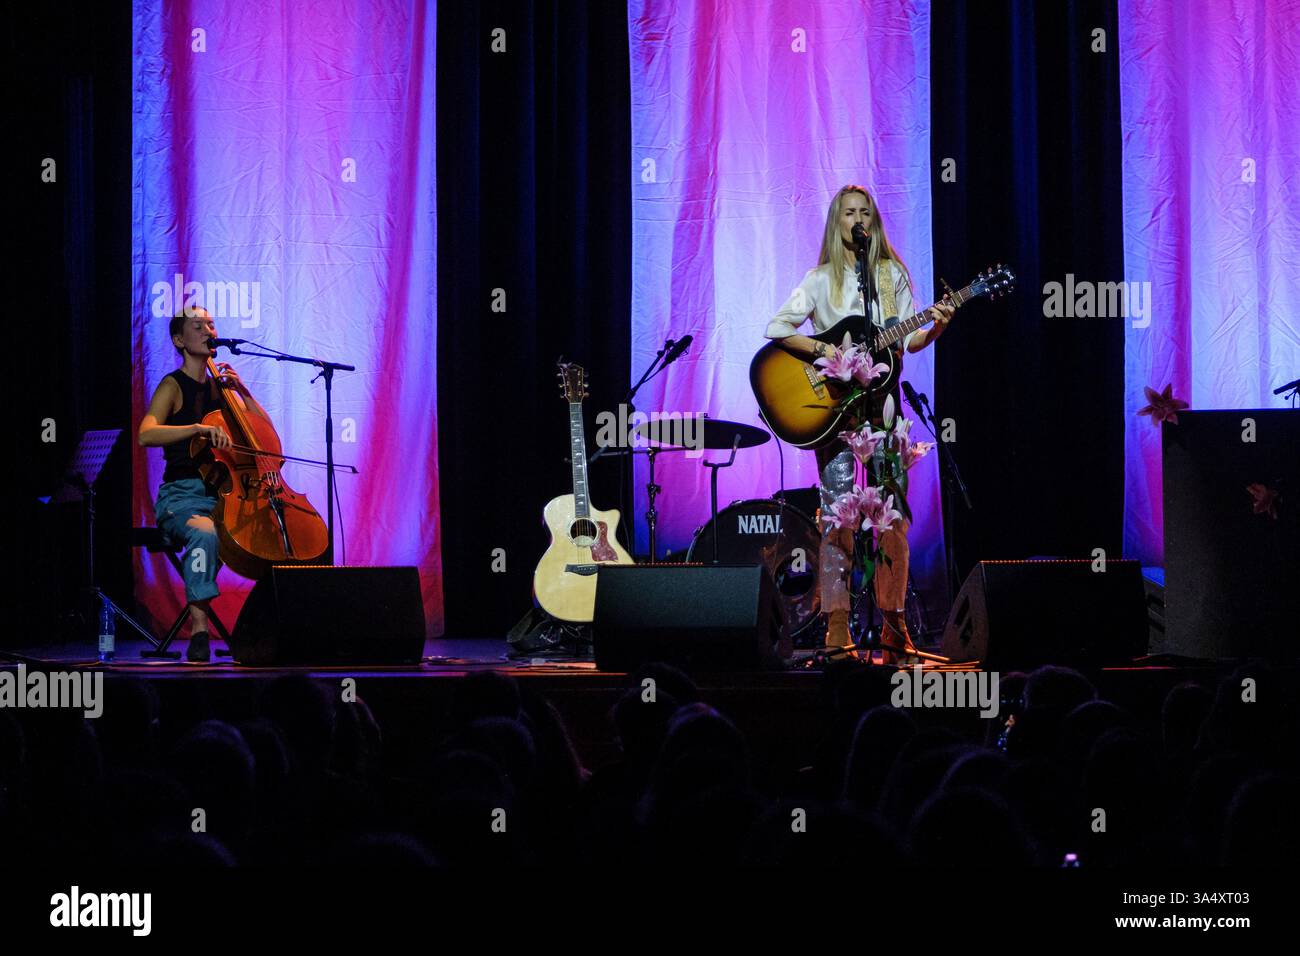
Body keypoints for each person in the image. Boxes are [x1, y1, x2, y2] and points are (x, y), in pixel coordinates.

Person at [765, 184, 953, 662]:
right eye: (849, 212)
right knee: (838, 521)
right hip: (835, 417)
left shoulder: (890, 275)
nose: (857, 219)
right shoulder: (820, 279)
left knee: (893, 520)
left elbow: (907, 342)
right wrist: (826, 350)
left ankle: (893, 626)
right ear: (837, 220)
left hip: (885, 409)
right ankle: (835, 627)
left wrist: (936, 326)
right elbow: (777, 329)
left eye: (864, 211)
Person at [137, 306, 264, 661]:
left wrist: (244, 392)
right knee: (205, 533)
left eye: (210, 324)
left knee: (267, 537)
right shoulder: (172, 385)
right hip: (182, 497)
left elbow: (261, 436)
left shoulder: (222, 389)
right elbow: (146, 434)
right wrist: (195, 428)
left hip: (224, 496)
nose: (209, 330)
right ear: (180, 340)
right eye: (198, 325)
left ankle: (269, 630)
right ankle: (199, 630)